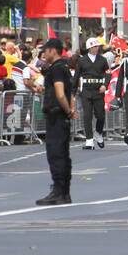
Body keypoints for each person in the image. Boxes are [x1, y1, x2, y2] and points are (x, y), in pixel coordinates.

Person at [36, 38, 76, 206]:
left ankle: (58, 191)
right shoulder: (64, 68)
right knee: (62, 154)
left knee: (56, 154)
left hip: (56, 116)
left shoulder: (57, 69)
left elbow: (60, 94)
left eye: (46, 50)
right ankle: (64, 191)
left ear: (53, 51)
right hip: (61, 116)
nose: (44, 54)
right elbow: (69, 92)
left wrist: (68, 111)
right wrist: (71, 109)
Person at [77, 38, 109, 150]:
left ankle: (98, 133)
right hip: (86, 90)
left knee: (100, 115)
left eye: (98, 46)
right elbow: (77, 76)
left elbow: (108, 74)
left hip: (98, 89)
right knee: (87, 115)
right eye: (95, 46)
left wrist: (105, 85)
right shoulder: (82, 61)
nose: (97, 48)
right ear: (89, 48)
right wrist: (72, 91)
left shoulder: (102, 60)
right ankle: (89, 140)